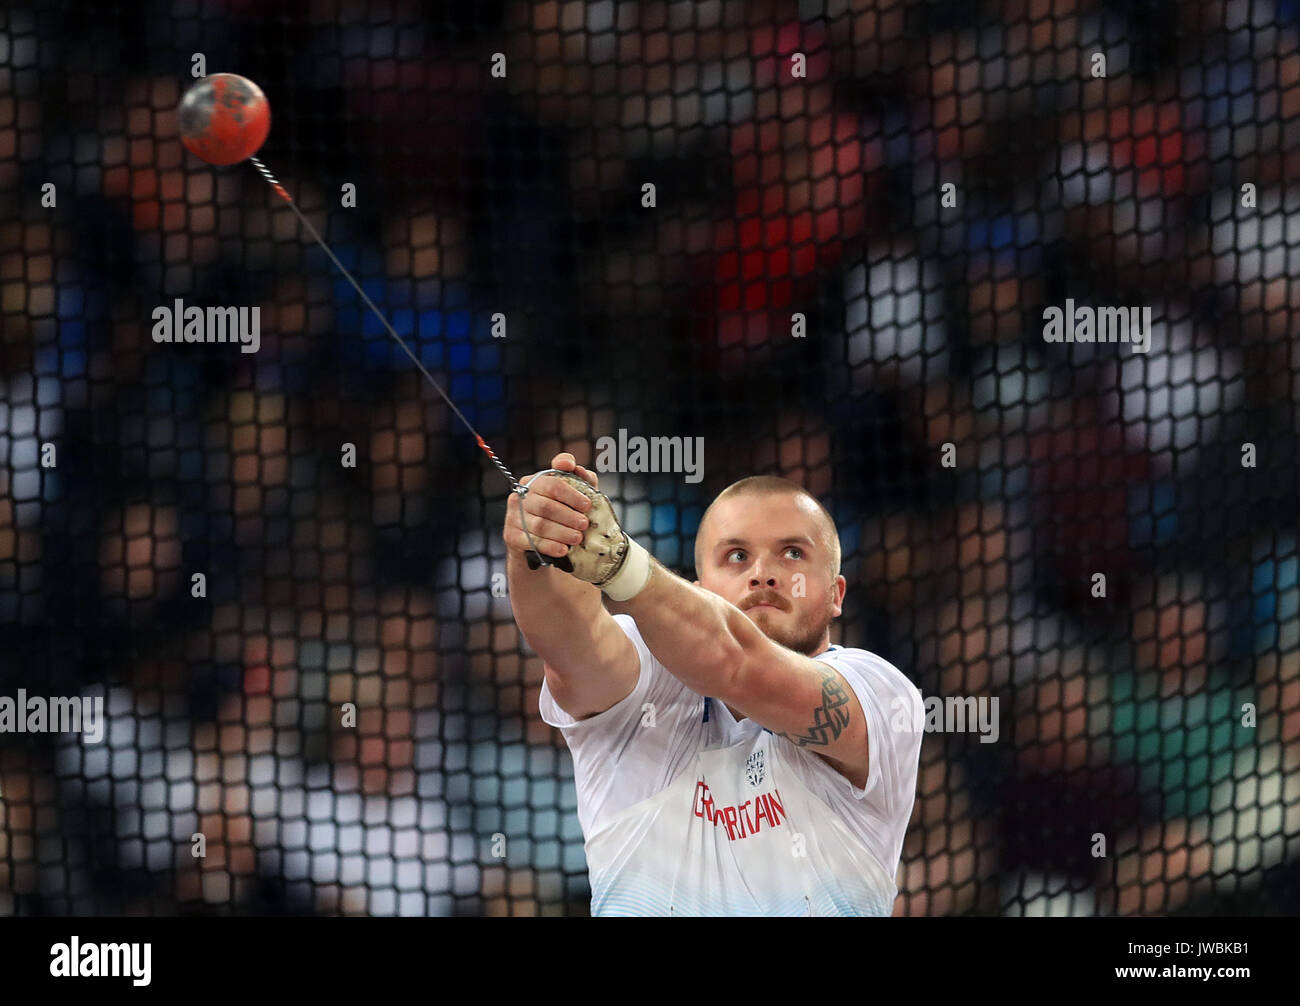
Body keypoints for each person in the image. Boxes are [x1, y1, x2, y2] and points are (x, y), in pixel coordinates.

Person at [503, 452, 923, 916]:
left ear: (835, 593)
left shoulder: (879, 695)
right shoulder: (644, 680)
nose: (763, 573)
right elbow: (568, 641)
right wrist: (540, 546)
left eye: (793, 553)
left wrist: (621, 567)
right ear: (699, 588)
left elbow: (736, 662)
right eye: (737, 556)